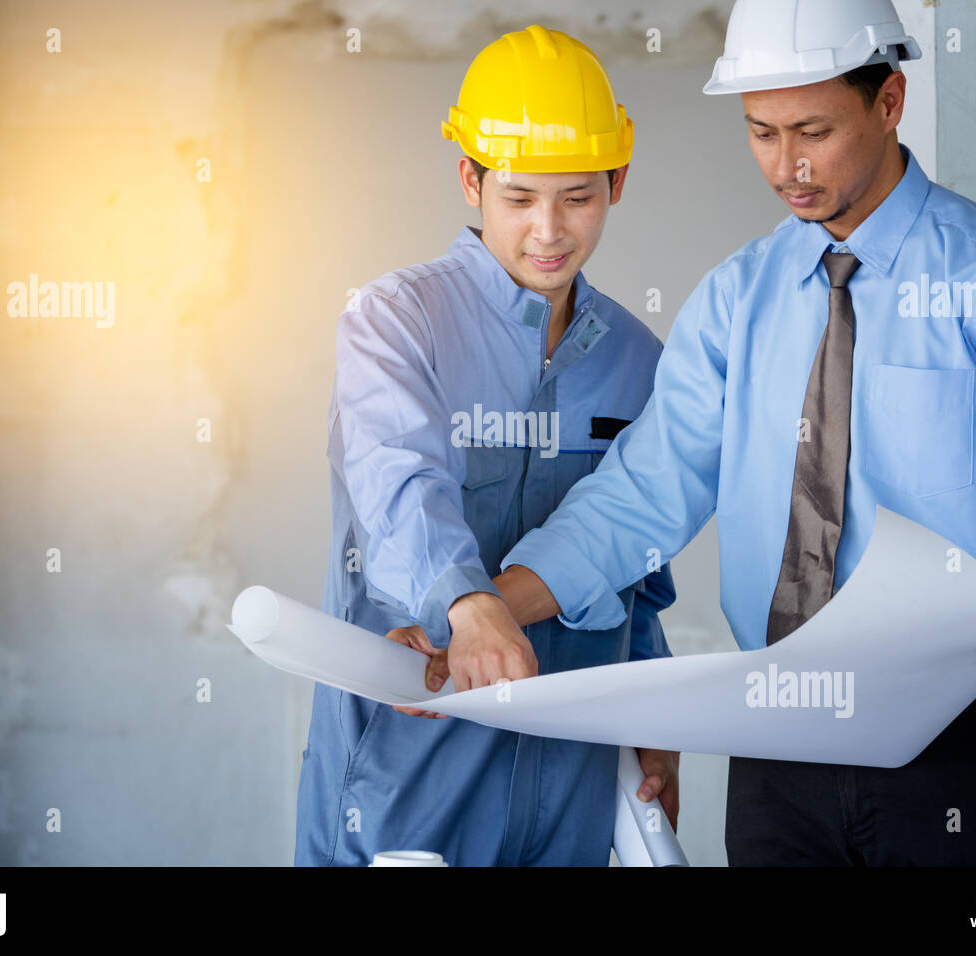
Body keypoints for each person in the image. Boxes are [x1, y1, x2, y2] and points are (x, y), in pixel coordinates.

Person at [448, 0, 976, 865]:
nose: (788, 166)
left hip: (956, 747)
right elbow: (641, 495)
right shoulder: (738, 300)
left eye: (812, 129)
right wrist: (476, 615)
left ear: (889, 102)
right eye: (762, 132)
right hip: (778, 748)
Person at [294, 24, 678, 867]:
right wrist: (468, 607)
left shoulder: (640, 361)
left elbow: (638, 569)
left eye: (578, 196)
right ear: (470, 180)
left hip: (569, 793)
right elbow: (399, 486)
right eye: (520, 197)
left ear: (616, 182)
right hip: (408, 775)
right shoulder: (397, 323)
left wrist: (655, 720)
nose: (549, 230)